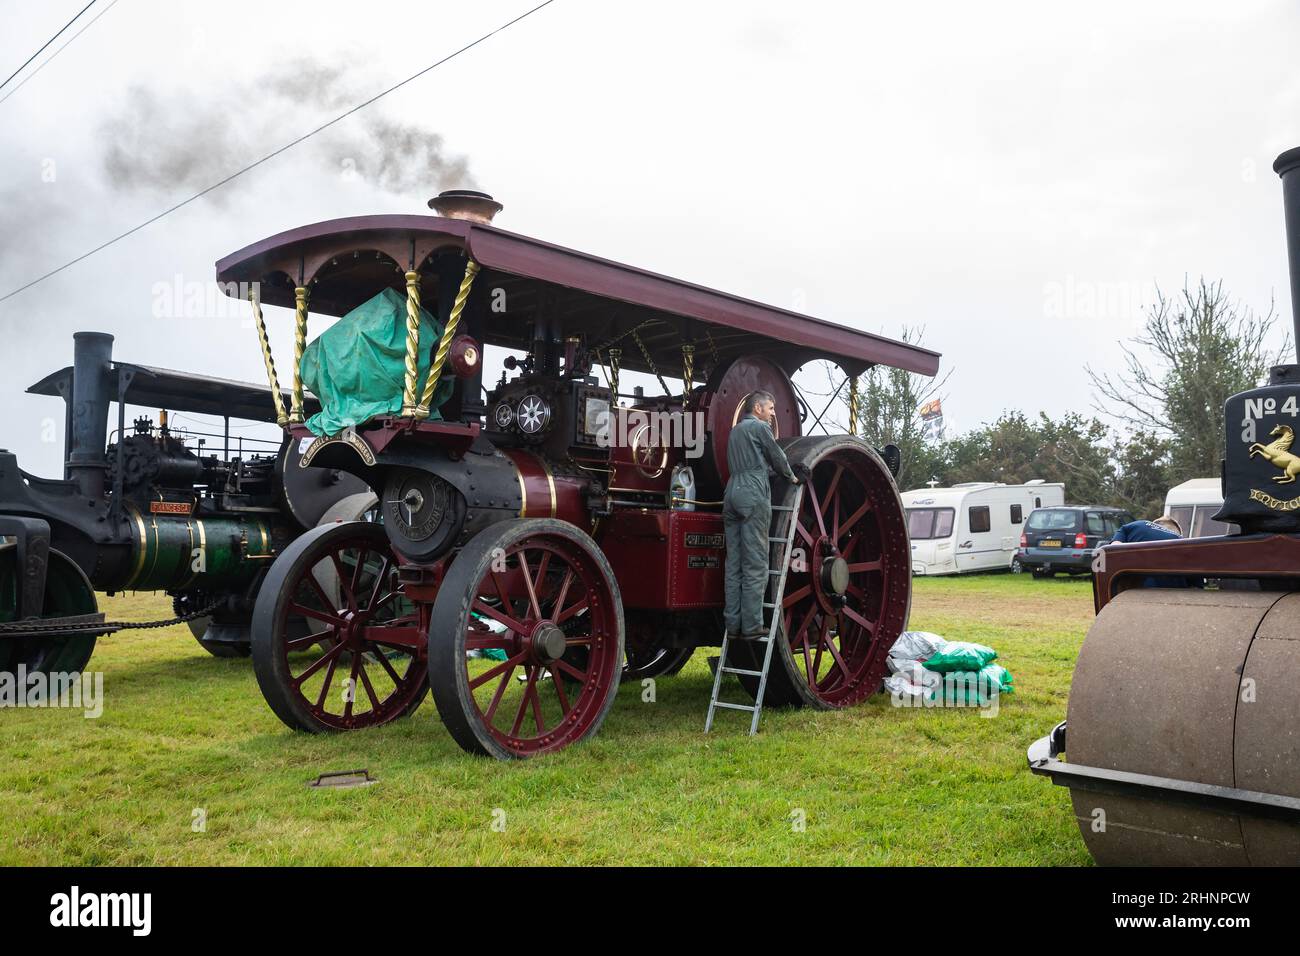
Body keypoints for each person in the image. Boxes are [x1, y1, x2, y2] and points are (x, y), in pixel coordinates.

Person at [723, 390, 801, 640]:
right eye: (770, 409)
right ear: (757, 407)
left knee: (734, 564)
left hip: (731, 492)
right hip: (753, 492)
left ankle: (733, 625)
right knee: (756, 563)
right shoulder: (759, 429)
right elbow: (776, 456)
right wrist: (791, 475)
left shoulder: (735, 431)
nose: (772, 414)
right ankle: (752, 626)